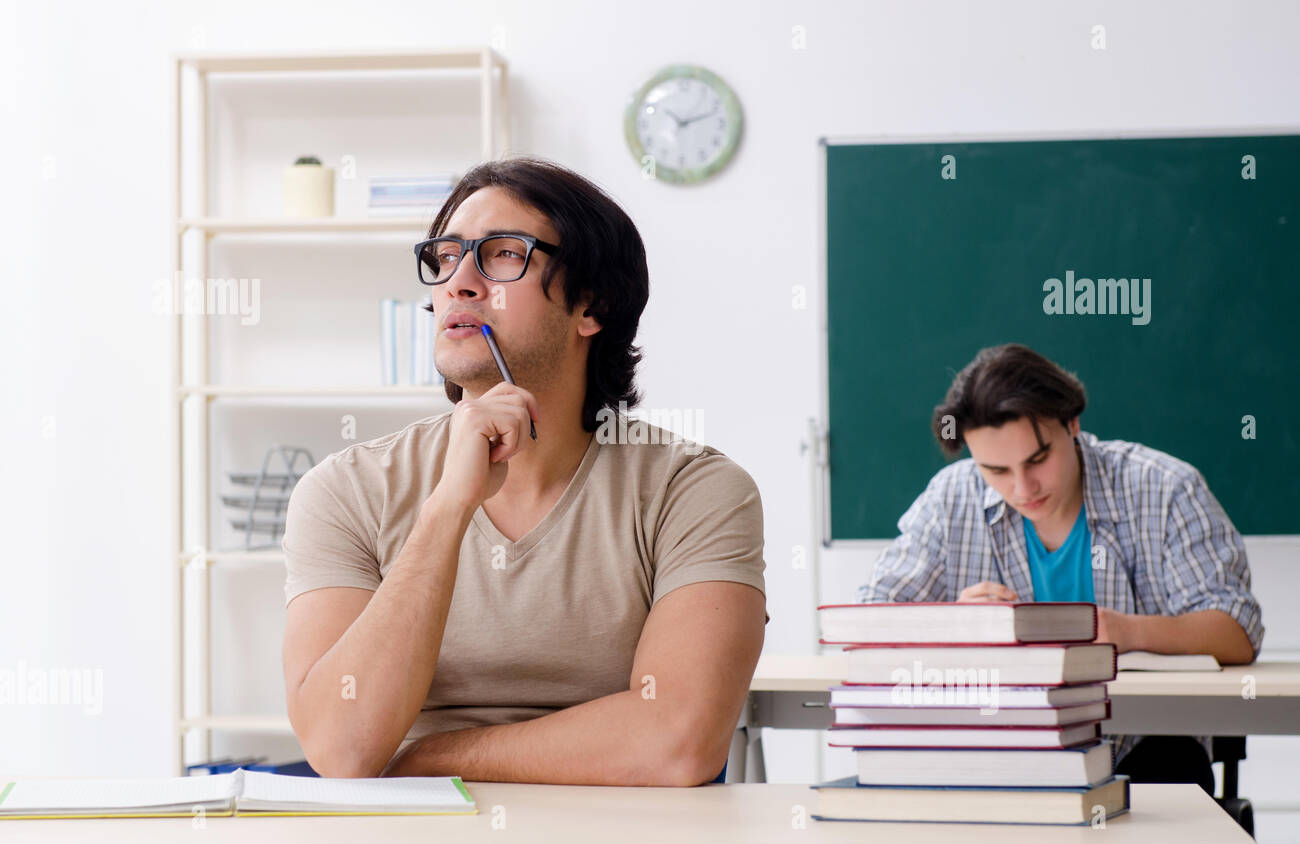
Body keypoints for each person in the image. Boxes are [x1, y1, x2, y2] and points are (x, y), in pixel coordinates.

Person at [281, 156, 767, 785]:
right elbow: (342, 750)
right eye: (447, 255)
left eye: (503, 255)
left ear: (591, 305)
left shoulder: (696, 491)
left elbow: (679, 739)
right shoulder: (346, 489)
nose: (458, 282)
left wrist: (432, 759)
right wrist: (447, 510)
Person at [858, 343, 1263, 793]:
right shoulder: (950, 497)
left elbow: (1236, 632)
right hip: (1003, 749)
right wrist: (954, 621)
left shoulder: (1165, 487)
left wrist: (1129, 633)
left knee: (1169, 769)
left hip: (1142, 751)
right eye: (995, 470)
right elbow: (869, 620)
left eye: (1038, 459)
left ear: (1072, 422)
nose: (1022, 487)